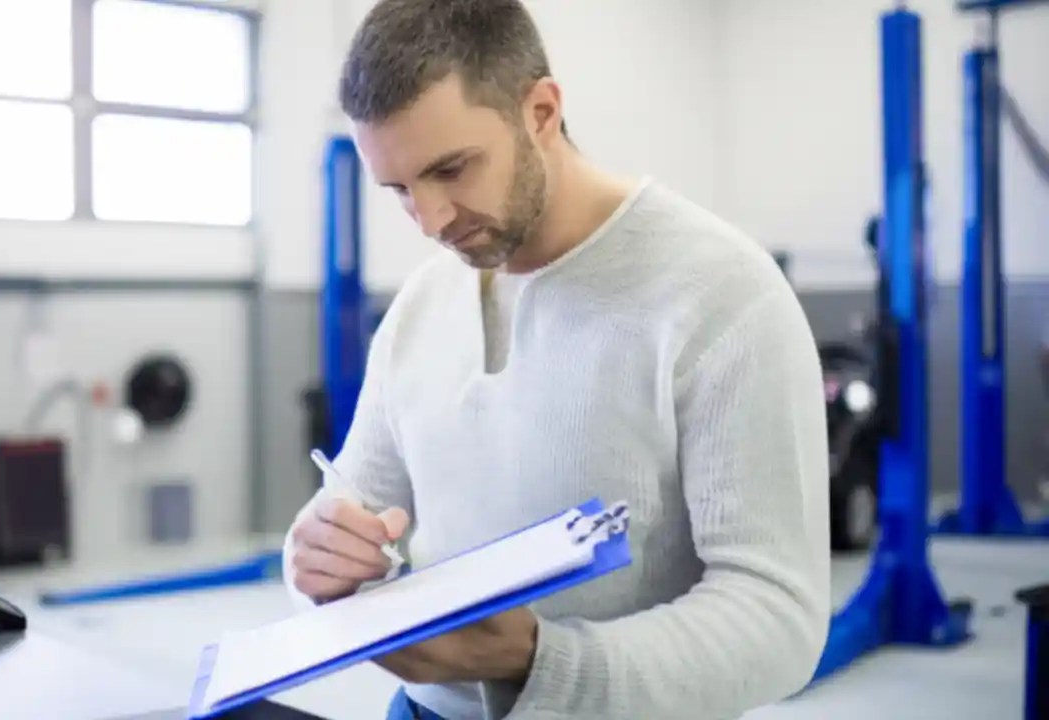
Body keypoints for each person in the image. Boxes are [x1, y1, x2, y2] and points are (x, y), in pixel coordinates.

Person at [282, 1, 832, 718]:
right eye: (399, 191)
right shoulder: (421, 307)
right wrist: (315, 559)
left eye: (451, 169)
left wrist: (541, 663)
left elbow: (779, 620)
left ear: (540, 110)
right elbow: (351, 506)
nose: (432, 221)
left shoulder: (722, 296)